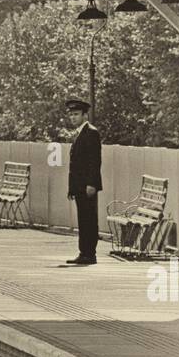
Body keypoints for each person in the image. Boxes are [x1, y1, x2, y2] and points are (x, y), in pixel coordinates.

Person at [65, 96, 102, 265]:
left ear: (85, 115)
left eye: (76, 114)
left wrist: (92, 184)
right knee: (83, 218)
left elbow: (95, 161)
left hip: (87, 186)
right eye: (71, 114)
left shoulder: (91, 133)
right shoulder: (80, 134)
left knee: (89, 218)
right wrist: (72, 188)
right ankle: (84, 252)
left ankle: (89, 253)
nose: (73, 117)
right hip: (80, 186)